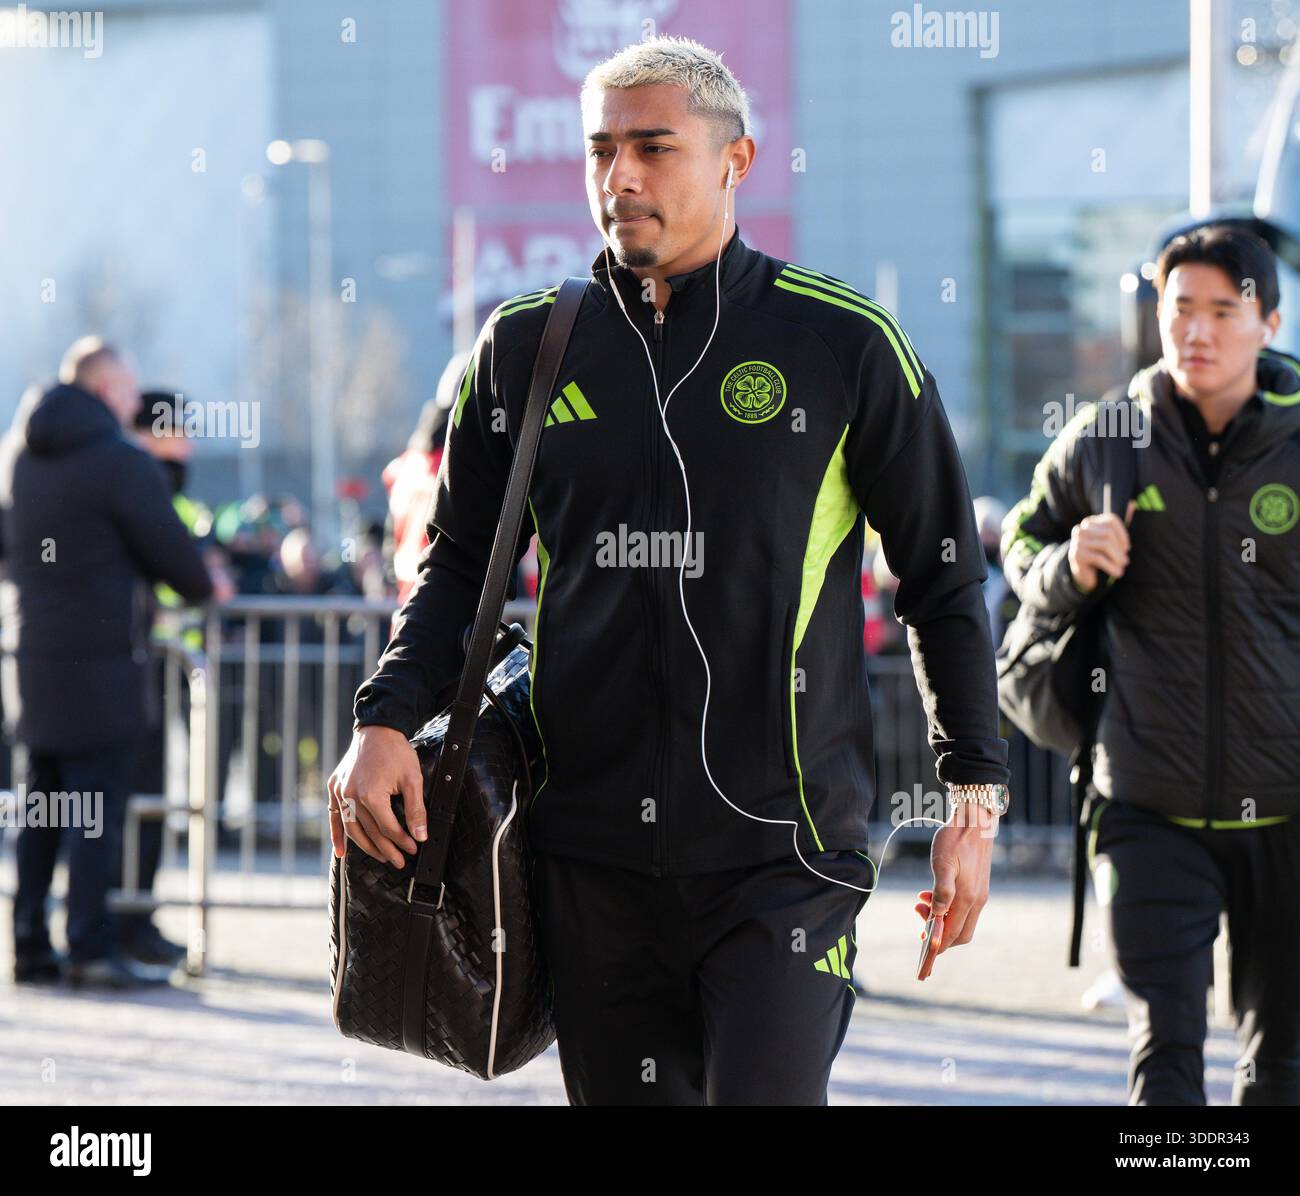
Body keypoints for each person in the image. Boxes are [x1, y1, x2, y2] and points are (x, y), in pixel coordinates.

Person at [330, 37, 1010, 1105]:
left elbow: (941, 581)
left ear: (735, 160)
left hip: (783, 858)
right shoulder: (521, 348)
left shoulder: (842, 344)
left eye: (654, 146)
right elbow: (460, 566)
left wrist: (972, 800)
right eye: (602, 150)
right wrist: (381, 719)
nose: (621, 177)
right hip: (588, 859)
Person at [1001, 224, 1300, 1105]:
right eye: (1179, 310)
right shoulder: (1107, 437)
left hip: (1289, 806)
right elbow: (1020, 540)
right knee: (1164, 1060)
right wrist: (1069, 566)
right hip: (1144, 801)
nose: (1196, 332)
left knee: (1279, 1066)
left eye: (1222, 310)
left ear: (1268, 322)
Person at [0, 339, 220, 988]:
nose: (134, 404)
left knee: (41, 811)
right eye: (126, 392)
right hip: (101, 667)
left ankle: (30, 946)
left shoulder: (15, 455)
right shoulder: (120, 462)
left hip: (30, 660)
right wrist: (206, 584)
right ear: (103, 392)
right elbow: (179, 565)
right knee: (96, 811)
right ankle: (91, 948)